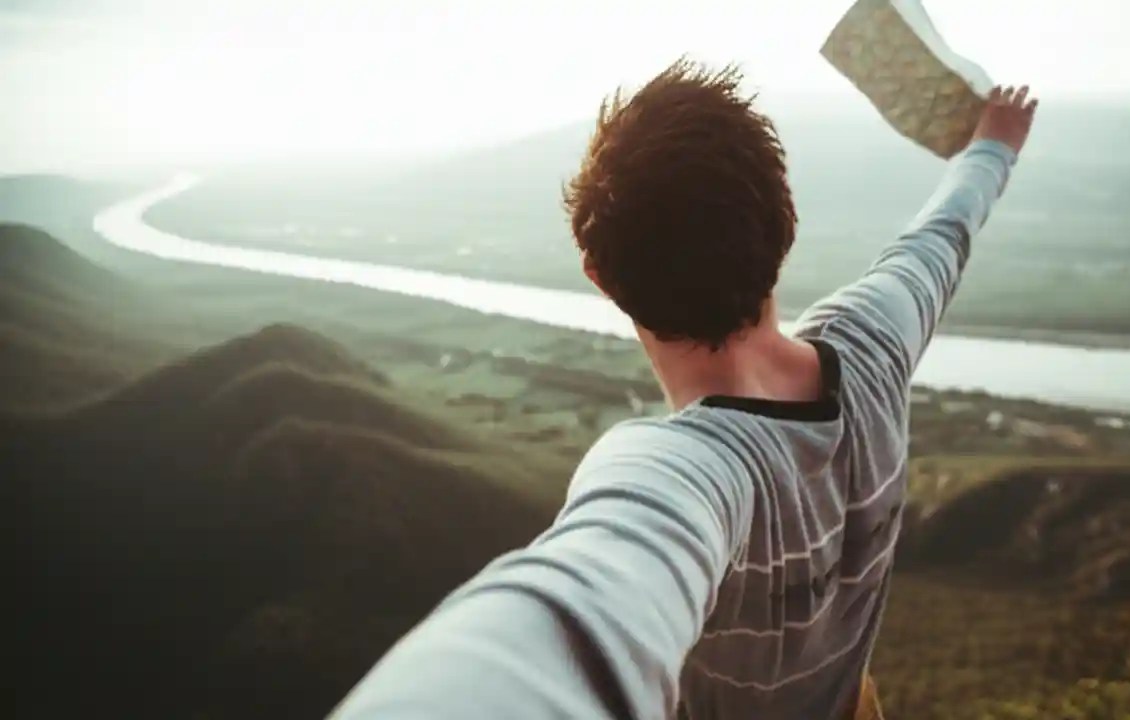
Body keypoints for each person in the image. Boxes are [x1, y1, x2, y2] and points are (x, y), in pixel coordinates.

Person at [331, 60, 1037, 719]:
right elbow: (940, 236)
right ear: (784, 224)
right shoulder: (876, 346)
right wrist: (992, 146)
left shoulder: (684, 469)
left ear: (599, 277)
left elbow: (576, 599)